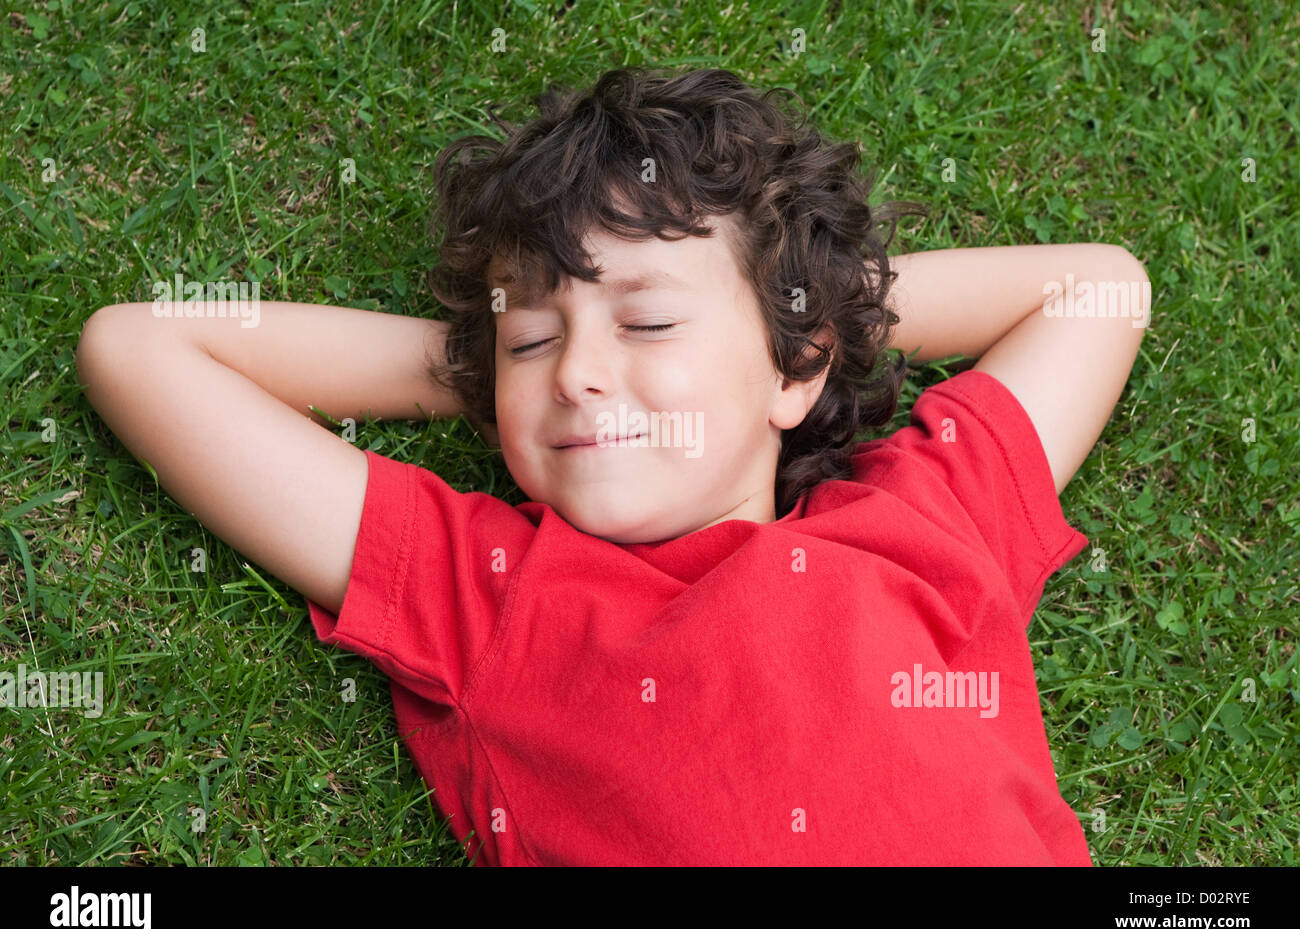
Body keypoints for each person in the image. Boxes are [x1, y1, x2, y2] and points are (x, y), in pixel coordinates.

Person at [75, 66, 1150, 865]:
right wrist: (483, 365)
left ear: (797, 363)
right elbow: (142, 348)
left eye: (646, 322)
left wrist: (805, 312)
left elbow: (1098, 289)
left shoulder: (924, 522)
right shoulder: (491, 596)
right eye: (537, 338)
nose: (581, 371)